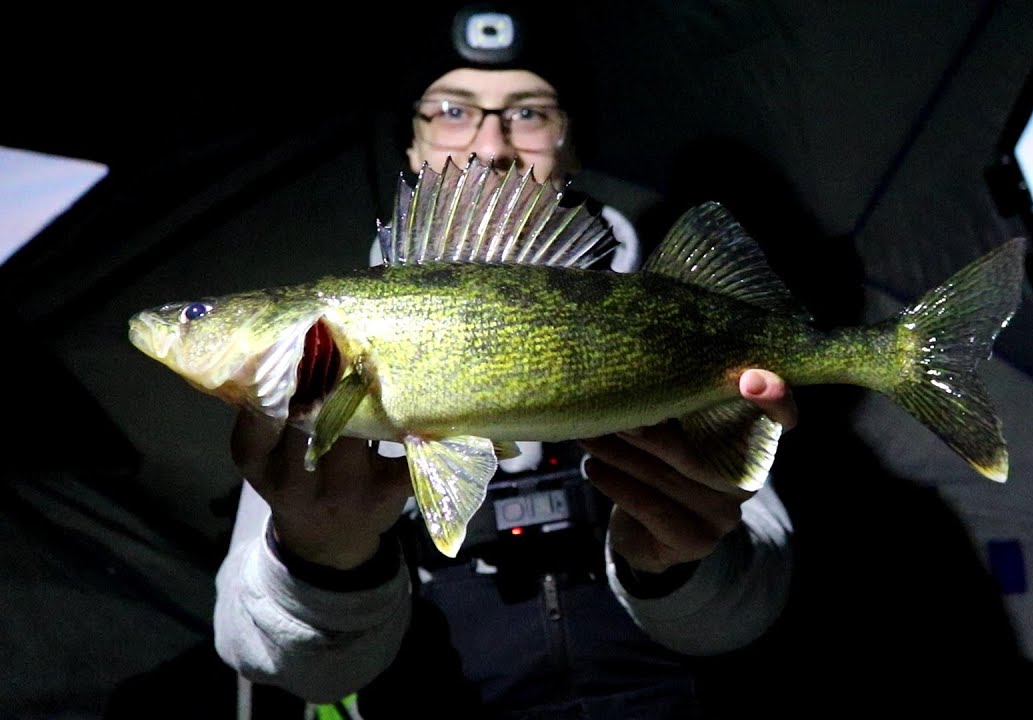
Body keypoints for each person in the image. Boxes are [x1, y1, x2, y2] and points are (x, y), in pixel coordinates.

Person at [212, 4, 799, 718]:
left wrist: (683, 566)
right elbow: (275, 660)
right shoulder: (327, 350)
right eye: (452, 111)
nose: (491, 147)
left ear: (572, 147)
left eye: (529, 114)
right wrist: (320, 562)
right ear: (410, 146)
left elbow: (750, 609)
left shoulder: (681, 329)